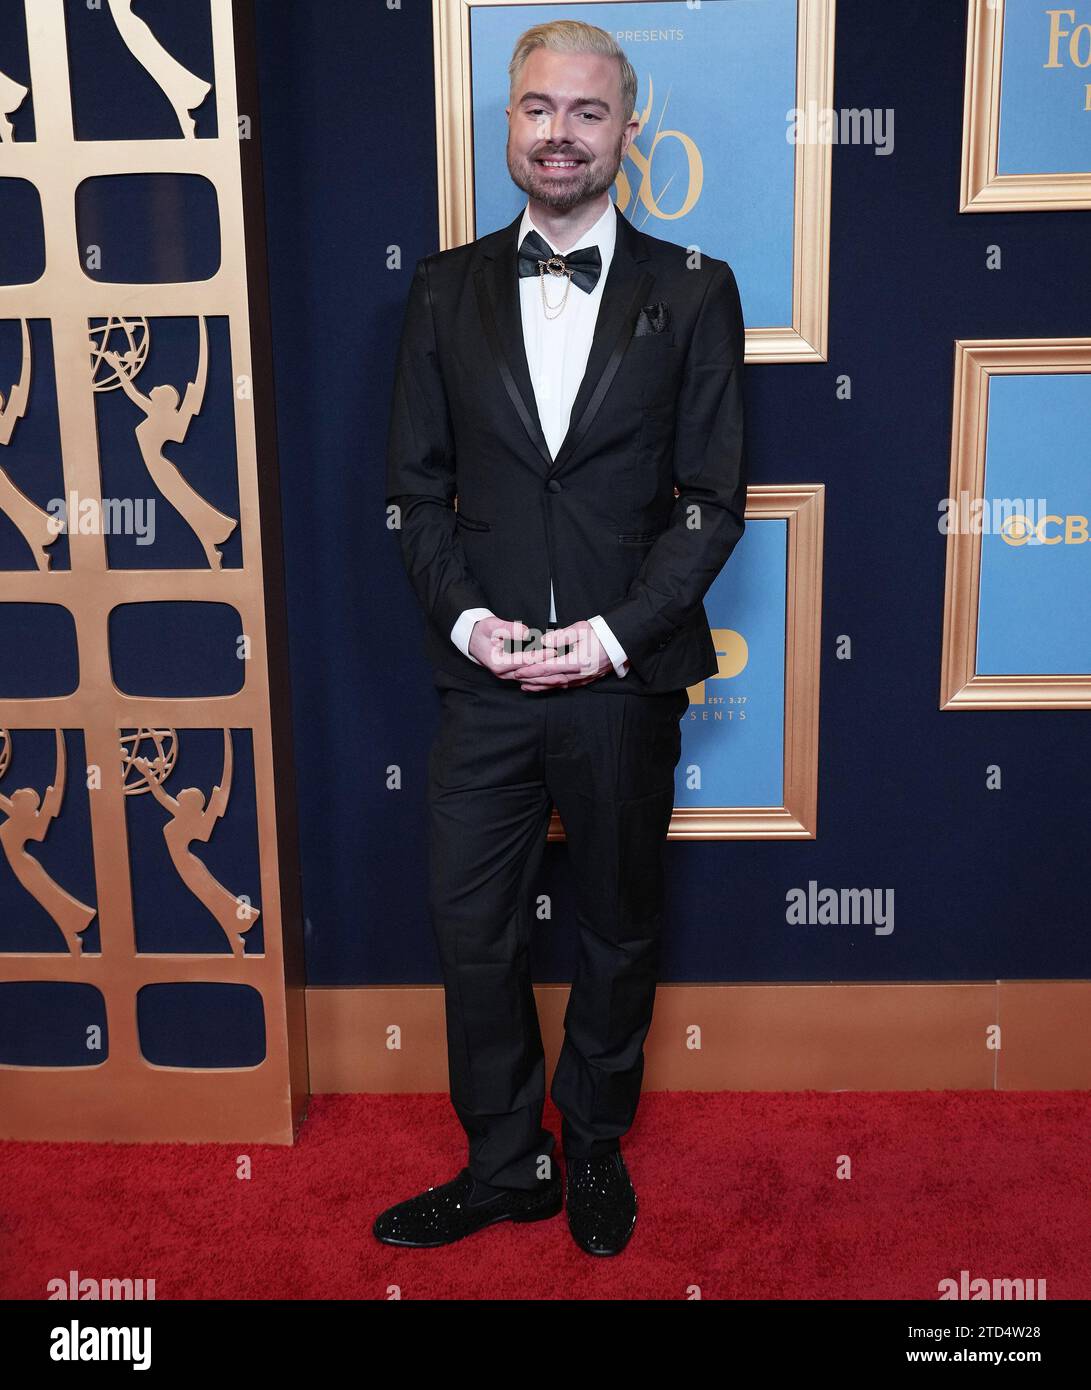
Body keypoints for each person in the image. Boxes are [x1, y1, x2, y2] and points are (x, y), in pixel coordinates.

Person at [377, 19, 747, 1257]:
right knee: (467, 924)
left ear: (624, 131)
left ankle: (589, 1139)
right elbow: (413, 493)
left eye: (586, 112)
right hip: (479, 680)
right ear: (506, 124)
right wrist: (473, 624)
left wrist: (607, 639)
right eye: (537, 108)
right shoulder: (440, 288)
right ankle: (504, 1160)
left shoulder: (694, 290)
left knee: (616, 917)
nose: (558, 132)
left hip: (619, 681)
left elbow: (709, 503)